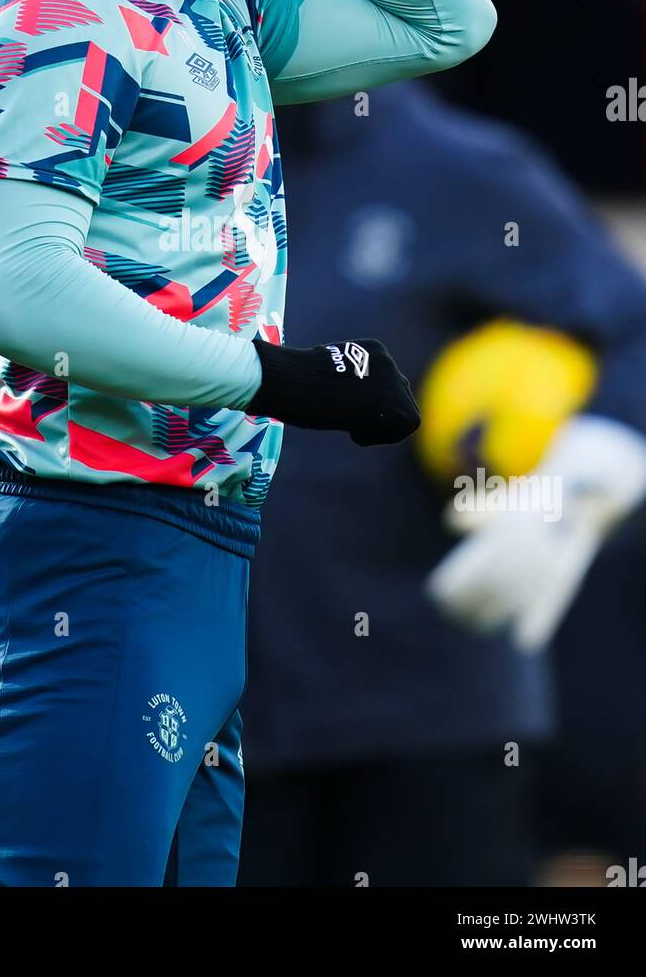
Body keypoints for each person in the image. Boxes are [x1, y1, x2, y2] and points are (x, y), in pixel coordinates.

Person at [0, 0, 496, 887]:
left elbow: (449, 19)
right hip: (79, 546)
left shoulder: (216, 6)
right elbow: (19, 297)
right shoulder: (54, 7)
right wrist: (275, 378)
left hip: (188, 552)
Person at [235, 81, 646, 886]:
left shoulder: (460, 168)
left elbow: (631, 336)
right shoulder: (153, 162)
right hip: (213, 716)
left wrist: (566, 496)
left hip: (429, 719)